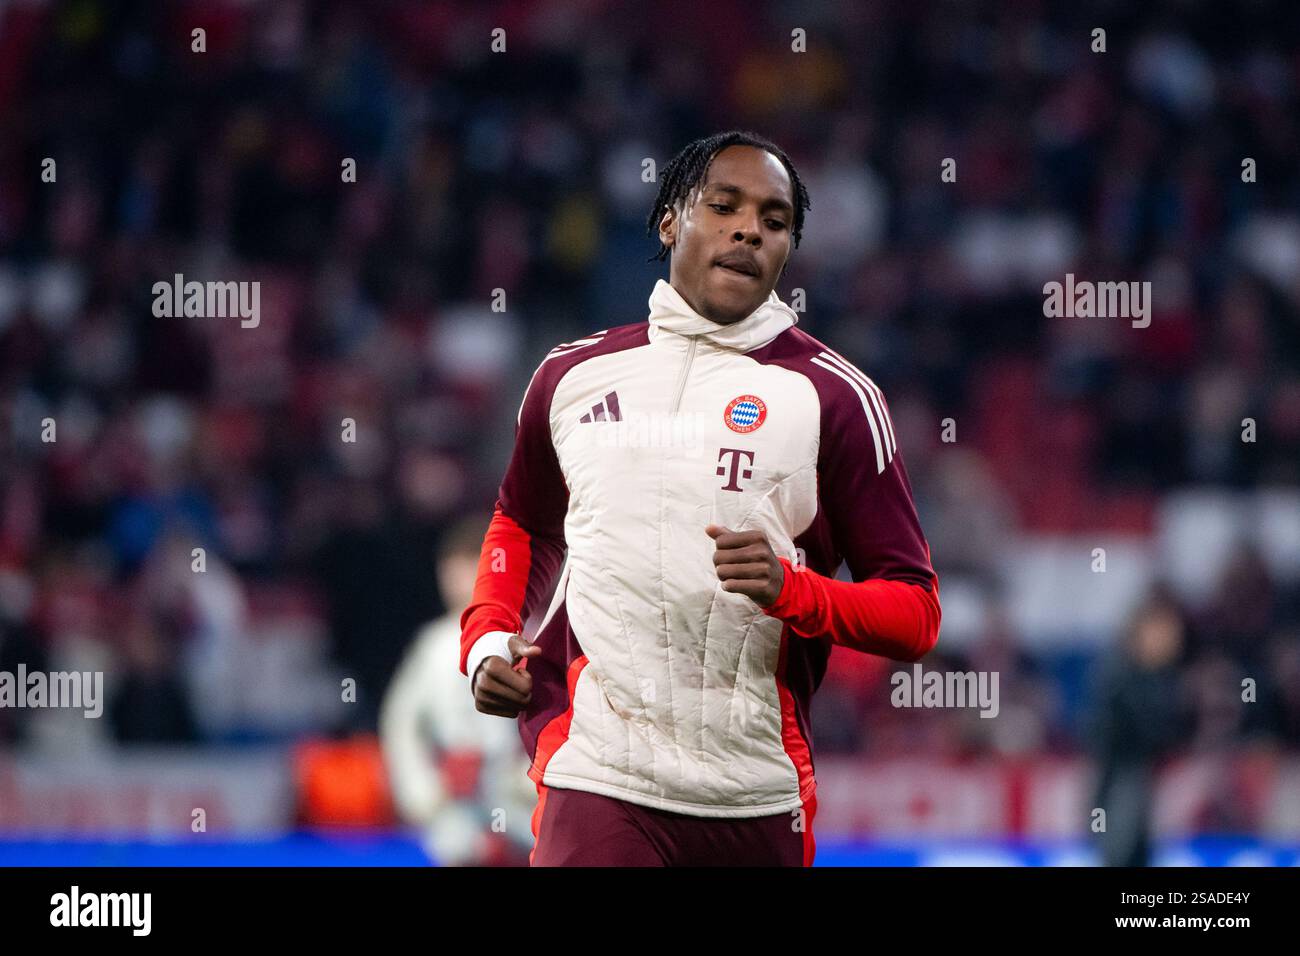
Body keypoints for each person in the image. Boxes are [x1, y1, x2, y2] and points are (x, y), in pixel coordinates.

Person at [459, 130, 941, 866]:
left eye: (775, 221)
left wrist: (798, 592)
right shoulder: (571, 377)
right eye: (724, 206)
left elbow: (914, 612)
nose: (749, 228)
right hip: (598, 774)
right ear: (669, 221)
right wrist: (489, 635)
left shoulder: (835, 400)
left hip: (753, 796)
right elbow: (522, 521)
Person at [381, 516, 536, 865]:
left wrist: (526, 779)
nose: (456, 582)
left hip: (517, 801)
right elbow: (402, 725)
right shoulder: (433, 646)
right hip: (455, 806)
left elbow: (553, 718)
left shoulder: (527, 637)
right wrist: (425, 791)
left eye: (468, 569)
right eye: (450, 571)